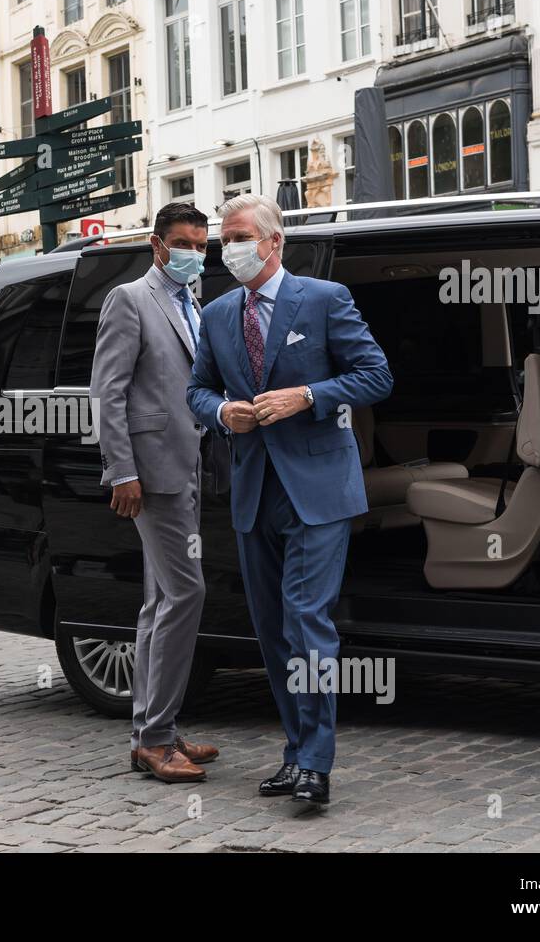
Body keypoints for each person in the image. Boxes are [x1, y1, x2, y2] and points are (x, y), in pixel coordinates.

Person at [187, 194, 392, 807]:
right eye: (225, 240)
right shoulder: (219, 312)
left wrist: (308, 394)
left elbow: (376, 375)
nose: (231, 249)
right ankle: (294, 751)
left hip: (319, 490)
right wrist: (224, 412)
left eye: (241, 236)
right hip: (254, 491)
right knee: (273, 631)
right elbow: (196, 390)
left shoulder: (325, 299)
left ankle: (316, 763)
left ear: (274, 241)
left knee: (308, 620)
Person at [92, 201, 219, 784]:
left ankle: (152, 730)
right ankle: (156, 739)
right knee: (185, 595)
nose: (195, 253)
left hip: (187, 468)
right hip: (153, 473)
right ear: (158, 244)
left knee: (158, 602)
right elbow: (108, 393)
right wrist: (122, 472)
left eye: (202, 243)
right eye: (185, 244)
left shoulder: (190, 301)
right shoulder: (130, 299)